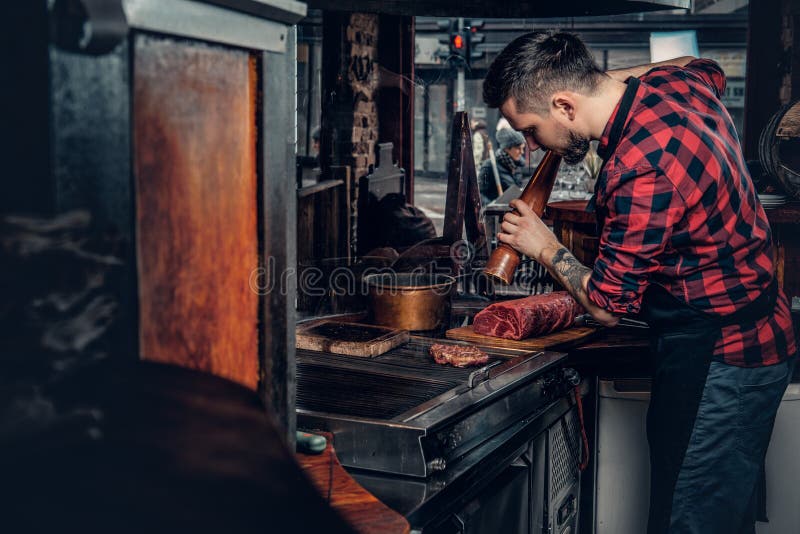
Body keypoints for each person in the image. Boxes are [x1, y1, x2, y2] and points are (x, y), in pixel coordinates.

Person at [483, 31, 797, 534]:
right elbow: (704, 63)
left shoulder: (641, 168)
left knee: (687, 522)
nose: (531, 145)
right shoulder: (677, 83)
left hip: (721, 359)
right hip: (755, 339)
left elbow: (608, 304)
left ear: (565, 105)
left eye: (531, 130)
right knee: (720, 517)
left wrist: (542, 245)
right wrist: (606, 80)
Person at [477, 127, 527, 205]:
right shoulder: (489, 166)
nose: (522, 152)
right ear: (507, 148)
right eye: (518, 148)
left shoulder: (516, 166)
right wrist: (492, 205)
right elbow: (479, 194)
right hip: (494, 213)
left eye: (523, 148)